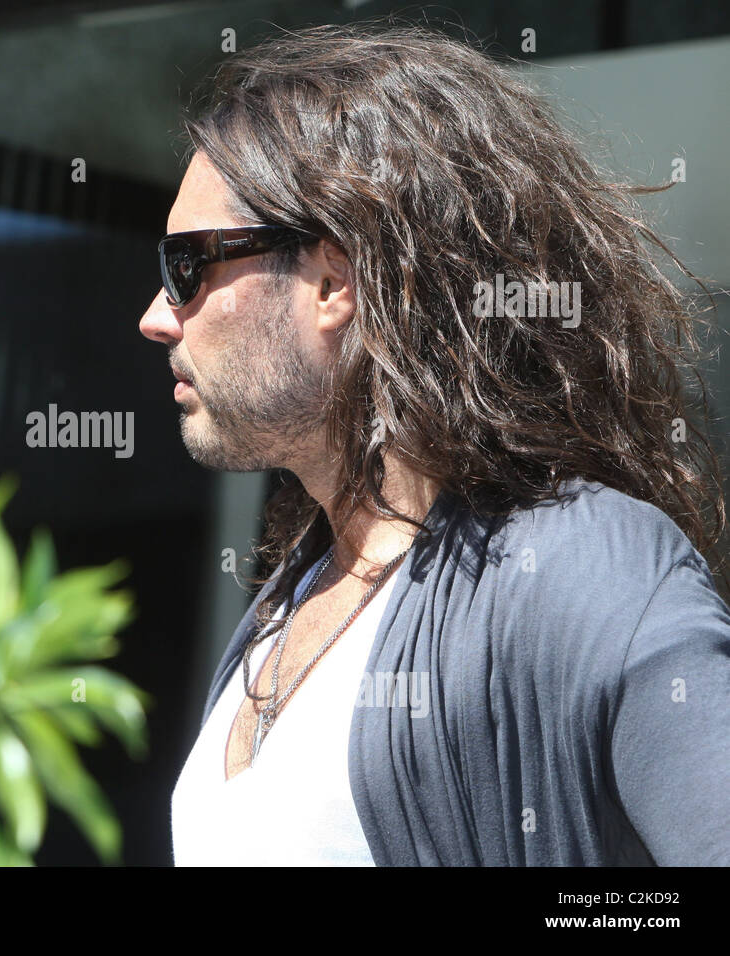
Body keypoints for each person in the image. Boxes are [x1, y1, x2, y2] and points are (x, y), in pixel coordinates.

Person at [139, 24, 730, 865]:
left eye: (188, 265)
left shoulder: (585, 567)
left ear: (332, 283)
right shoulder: (291, 598)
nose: (157, 316)